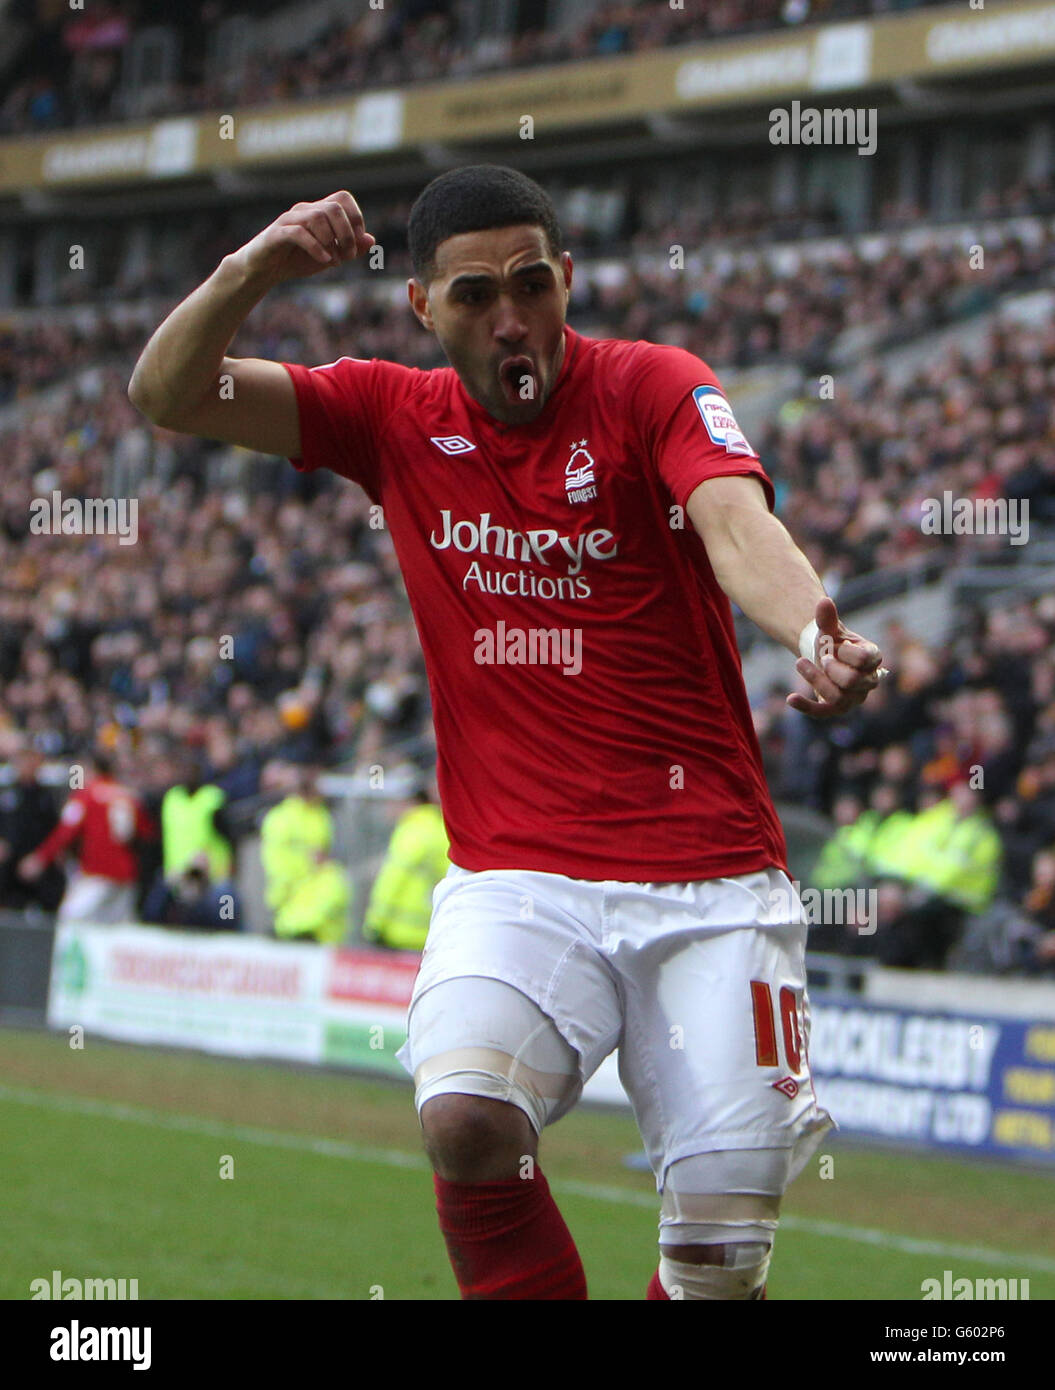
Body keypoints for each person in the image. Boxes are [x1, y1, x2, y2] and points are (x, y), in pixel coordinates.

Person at [128, 165, 886, 1301]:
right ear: (423, 310)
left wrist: (809, 630)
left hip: (710, 877)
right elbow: (168, 394)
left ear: (567, 279)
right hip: (517, 874)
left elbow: (734, 523)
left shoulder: (651, 388)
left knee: (718, 1260)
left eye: (531, 282)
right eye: (475, 294)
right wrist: (257, 267)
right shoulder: (387, 414)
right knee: (469, 1117)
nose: (511, 315)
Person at [18, 749, 155, 925]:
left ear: (91, 769)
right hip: (127, 873)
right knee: (118, 927)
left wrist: (40, 858)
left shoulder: (86, 794)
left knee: (70, 920)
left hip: (98, 870)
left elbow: (66, 832)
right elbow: (146, 833)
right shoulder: (127, 795)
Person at [259, 762, 349, 944]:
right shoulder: (281, 819)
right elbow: (277, 863)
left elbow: (320, 855)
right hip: (291, 901)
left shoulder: (320, 816)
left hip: (305, 901)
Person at [364, 772, 450, 951]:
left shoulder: (412, 830)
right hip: (430, 932)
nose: (389, 808)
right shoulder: (441, 830)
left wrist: (375, 923)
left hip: (399, 932)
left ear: (409, 802)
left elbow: (394, 878)